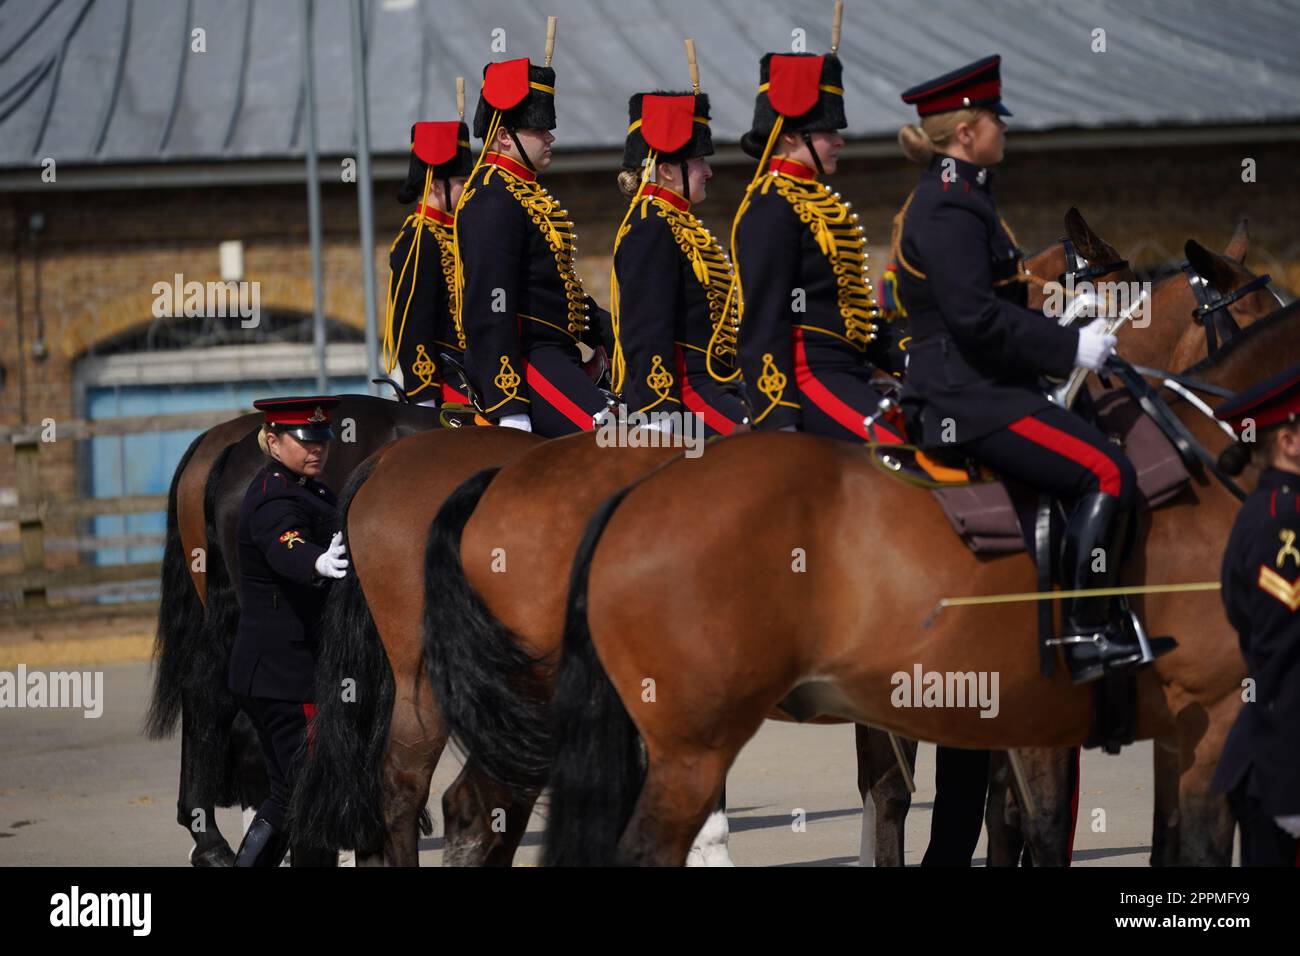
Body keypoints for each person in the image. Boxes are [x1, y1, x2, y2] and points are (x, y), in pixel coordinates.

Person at [892, 54, 1170, 868]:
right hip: (965, 396)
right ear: (967, 132)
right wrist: (1067, 345)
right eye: (996, 119)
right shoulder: (947, 207)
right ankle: (1087, 630)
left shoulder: (969, 198)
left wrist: (1066, 308)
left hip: (988, 382)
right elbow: (975, 319)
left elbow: (999, 295)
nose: (1005, 128)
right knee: (1107, 471)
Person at [731, 49, 904, 441]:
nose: (839, 141)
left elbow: (853, 310)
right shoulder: (771, 206)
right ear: (792, 135)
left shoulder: (815, 199)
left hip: (848, 369)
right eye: (828, 132)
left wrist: (912, 359)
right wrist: (778, 413)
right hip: (808, 375)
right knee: (901, 451)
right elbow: (764, 318)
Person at [455, 52, 613, 436]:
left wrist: (617, 331)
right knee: (621, 440)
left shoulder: (522, 195)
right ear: (504, 136)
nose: (550, 137)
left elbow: (558, 297)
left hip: (560, 355)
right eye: (539, 129)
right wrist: (510, 405)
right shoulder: (492, 199)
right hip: (529, 363)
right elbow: (491, 307)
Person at [228, 397, 349, 867]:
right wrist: (316, 562)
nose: (317, 448)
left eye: (322, 438)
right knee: (313, 799)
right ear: (274, 441)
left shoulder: (310, 489)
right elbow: (285, 543)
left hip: (272, 671)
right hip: (286, 675)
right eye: (305, 439)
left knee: (287, 795)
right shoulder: (273, 495)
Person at [610, 87, 747, 437]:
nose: (709, 171)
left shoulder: (675, 220)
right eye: (700, 161)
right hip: (687, 393)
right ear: (668, 170)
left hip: (718, 384)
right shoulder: (651, 225)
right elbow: (646, 327)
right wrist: (658, 411)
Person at [1212, 359, 1300, 866]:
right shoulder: (1280, 526)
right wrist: (1291, 789)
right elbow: (1284, 656)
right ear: (1288, 443)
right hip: (1281, 768)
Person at [382, 117, 473, 407]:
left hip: (473, 373)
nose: (467, 190)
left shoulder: (458, 233)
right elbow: (412, 327)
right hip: (446, 381)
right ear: (435, 185)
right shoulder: (418, 239)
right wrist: (425, 397)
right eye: (461, 182)